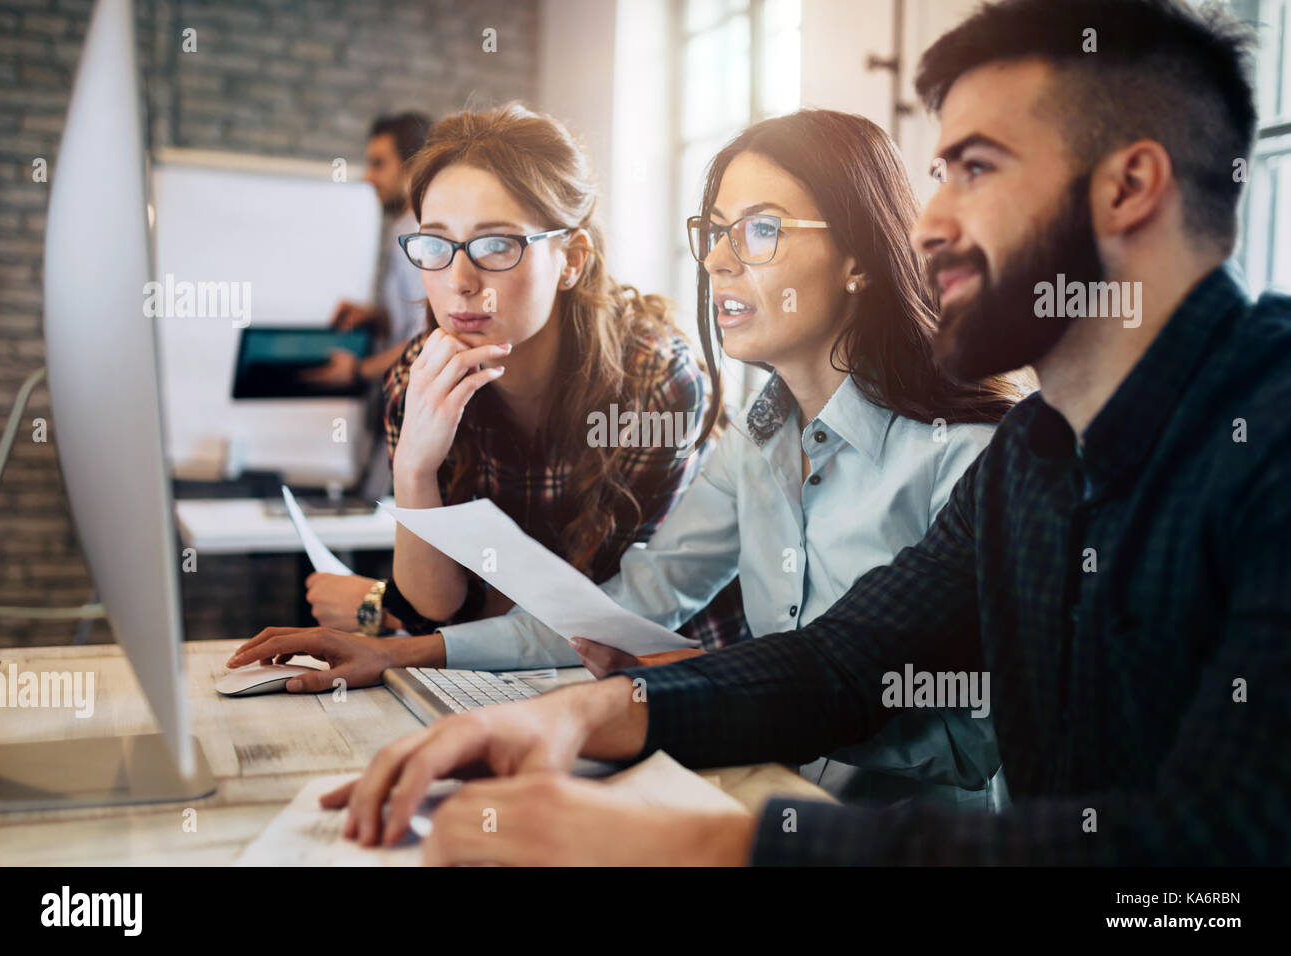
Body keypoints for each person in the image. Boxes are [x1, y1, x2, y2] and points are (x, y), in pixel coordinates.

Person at [316, 0, 1291, 866]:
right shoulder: (1037, 453)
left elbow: (1208, 852)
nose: (926, 221)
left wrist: (716, 841)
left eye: (977, 169)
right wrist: (581, 711)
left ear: (1129, 187)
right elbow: (841, 662)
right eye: (938, 171)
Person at [241, 108, 1023, 809]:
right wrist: (403, 650)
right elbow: (634, 604)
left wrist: (719, 705)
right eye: (714, 231)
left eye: (759, 230)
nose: (718, 261)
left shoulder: (971, 462)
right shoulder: (757, 444)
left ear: (859, 257)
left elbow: (978, 740)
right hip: (745, 796)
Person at [233, 103, 744, 668]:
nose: (458, 281)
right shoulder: (418, 374)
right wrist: (413, 469)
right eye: (435, 244)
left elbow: (595, 616)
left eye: (497, 244)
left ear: (571, 260)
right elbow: (437, 604)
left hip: (675, 681)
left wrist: (379, 608)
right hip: (509, 673)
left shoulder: (652, 381)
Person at [305, 112, 434, 391]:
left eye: (379, 164)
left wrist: (358, 370)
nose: (368, 176)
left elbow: (428, 337)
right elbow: (414, 319)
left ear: (413, 167)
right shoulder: (402, 227)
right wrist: (376, 316)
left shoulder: (418, 236)